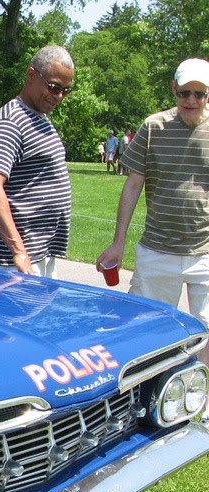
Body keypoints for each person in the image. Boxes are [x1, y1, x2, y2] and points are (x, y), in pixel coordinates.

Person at [96, 58, 209, 363]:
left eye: (200, 94)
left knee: (208, 331)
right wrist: (118, 242)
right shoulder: (154, 126)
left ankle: (201, 399)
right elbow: (133, 185)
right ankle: (151, 400)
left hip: (205, 252)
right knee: (148, 331)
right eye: (185, 92)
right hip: (157, 248)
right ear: (174, 88)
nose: (191, 100)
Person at [0, 45, 74, 277]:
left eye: (65, 90)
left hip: (38, 252)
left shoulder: (39, 117)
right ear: (31, 75)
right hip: (14, 261)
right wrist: (18, 251)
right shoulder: (11, 120)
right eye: (53, 87)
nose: (59, 96)